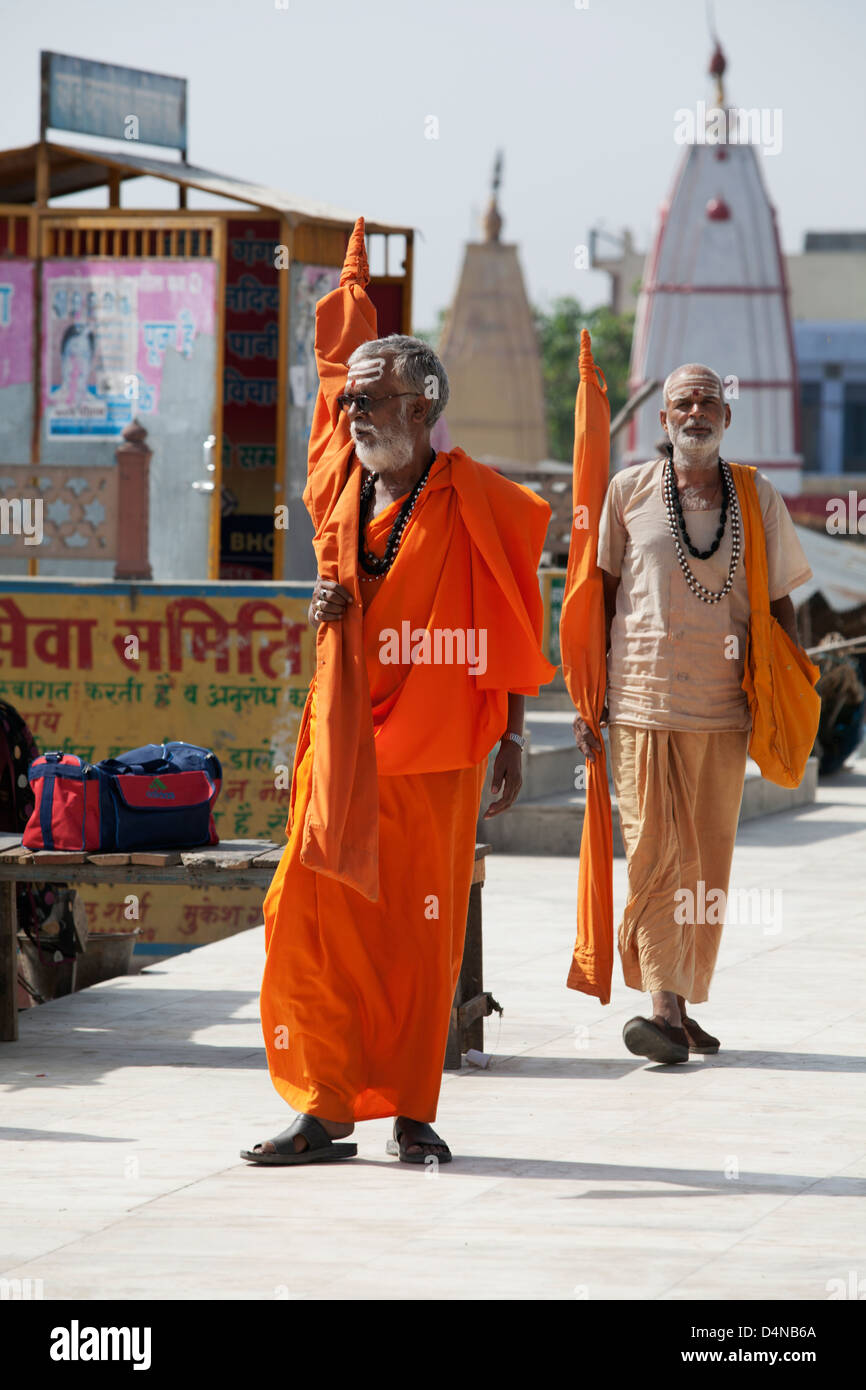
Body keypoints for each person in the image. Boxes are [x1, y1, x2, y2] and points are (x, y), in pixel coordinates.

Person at [242, 219, 555, 1165]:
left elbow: (512, 619)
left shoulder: (477, 499)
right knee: (309, 911)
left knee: (422, 935)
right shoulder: (342, 479)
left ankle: (413, 1107)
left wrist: (508, 735)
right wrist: (327, 601)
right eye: (353, 403)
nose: (356, 415)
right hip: (341, 742)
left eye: (376, 401)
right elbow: (331, 377)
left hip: (437, 748)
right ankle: (325, 1104)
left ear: (425, 408)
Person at [572, 363, 812, 1064]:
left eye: (708, 400)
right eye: (683, 402)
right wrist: (588, 697)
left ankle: (681, 993)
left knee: (705, 864)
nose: (696, 410)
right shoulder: (629, 492)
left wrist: (788, 690)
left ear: (726, 419)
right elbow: (598, 596)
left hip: (723, 704)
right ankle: (663, 1010)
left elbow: (781, 604)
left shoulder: (756, 495)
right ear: (664, 421)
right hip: (642, 701)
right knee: (653, 852)